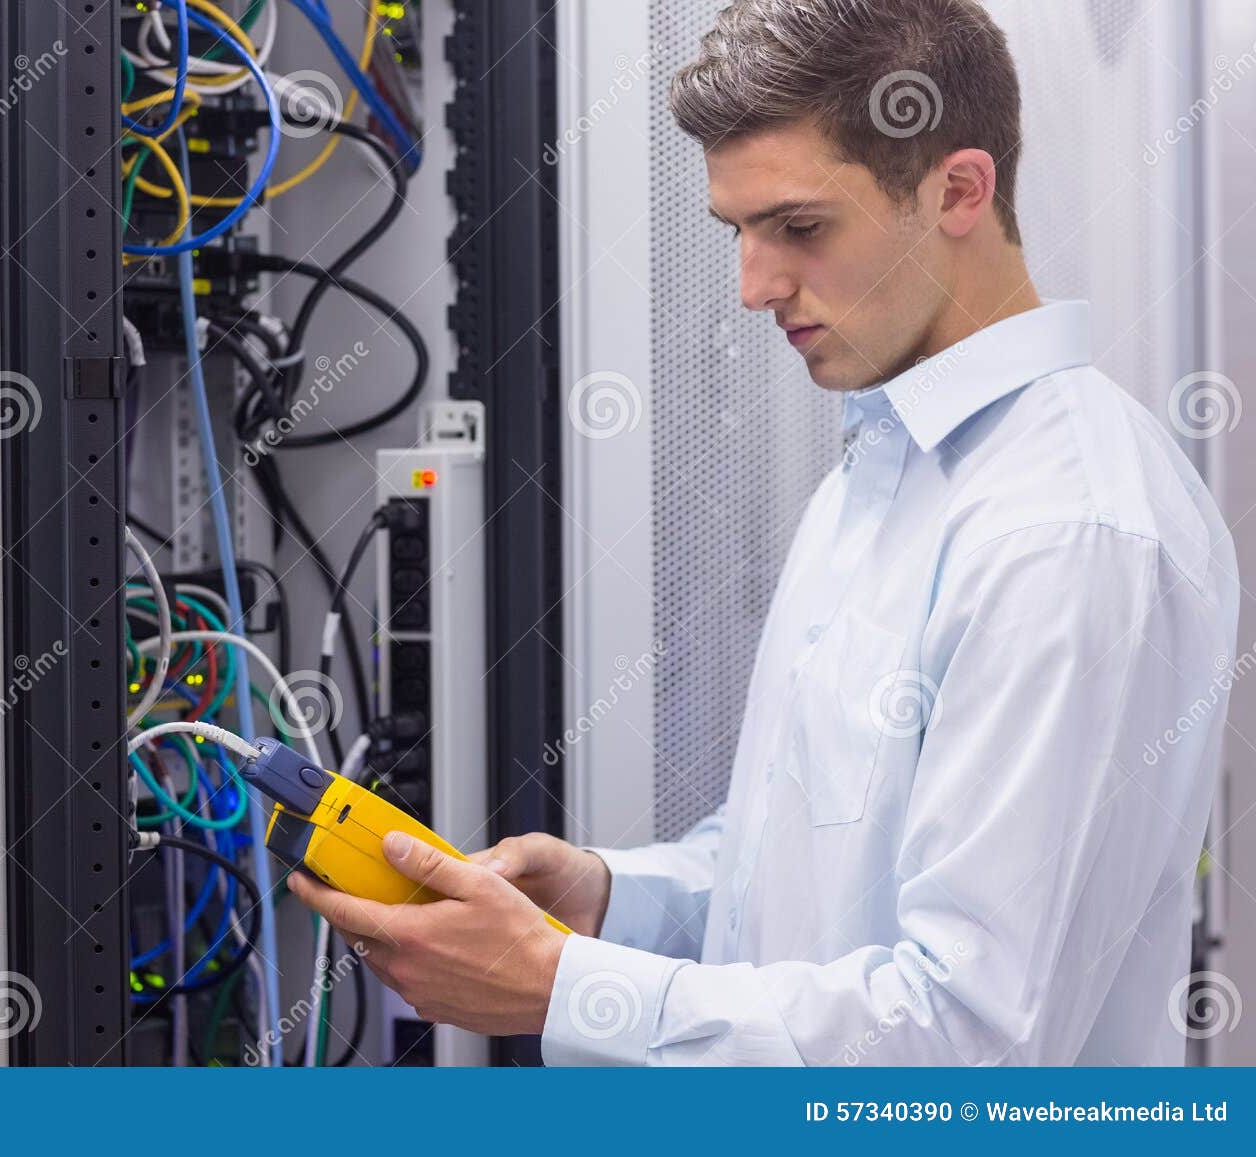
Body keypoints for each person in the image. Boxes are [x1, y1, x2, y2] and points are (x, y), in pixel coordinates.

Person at [290, 0, 1239, 1065]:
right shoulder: (881, 468)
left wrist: (569, 987)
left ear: (958, 190)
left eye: (799, 227)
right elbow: (805, 882)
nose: (753, 287)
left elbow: (970, 1040)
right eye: (735, 232)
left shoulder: (1064, 533)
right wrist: (614, 899)